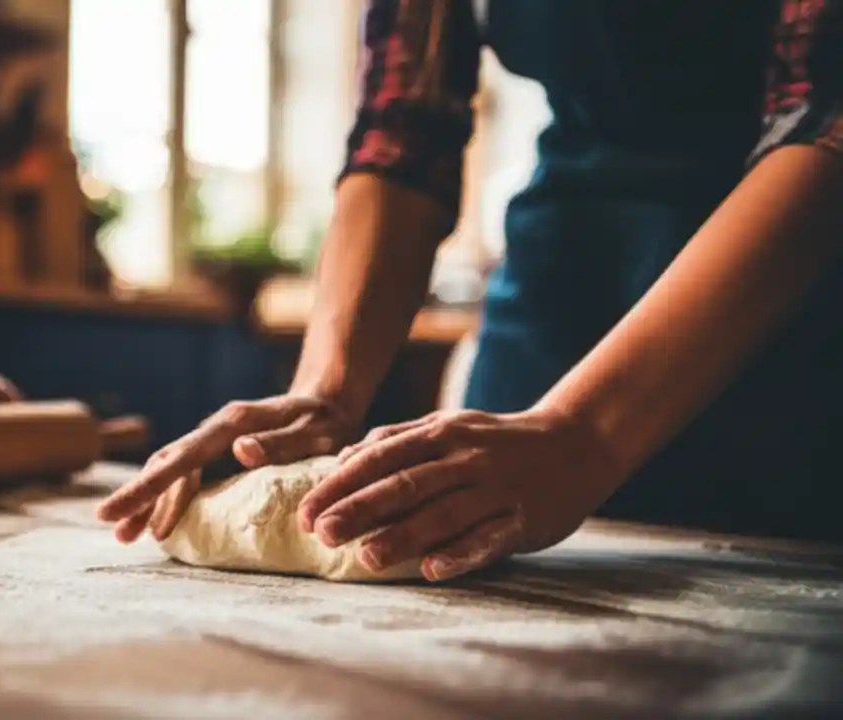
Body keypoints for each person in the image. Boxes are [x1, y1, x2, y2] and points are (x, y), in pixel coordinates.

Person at [98, 0, 843, 582]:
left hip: (785, 327)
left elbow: (824, 124)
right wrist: (326, 390)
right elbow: (404, 128)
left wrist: (586, 433)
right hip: (552, 321)